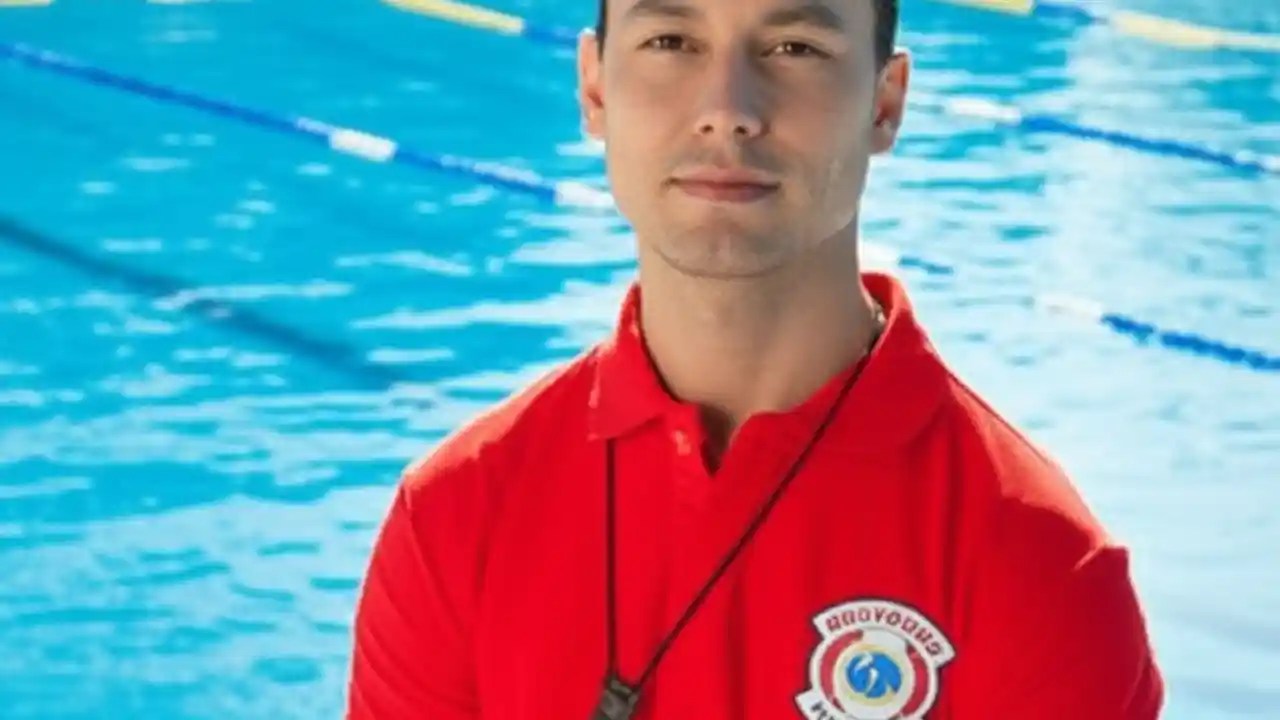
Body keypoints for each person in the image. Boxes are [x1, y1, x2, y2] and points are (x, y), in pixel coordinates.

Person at [346, 0, 1165, 717]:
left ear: (885, 103)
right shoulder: (457, 518)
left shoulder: (1031, 557)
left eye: (795, 48)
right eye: (671, 40)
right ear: (596, 88)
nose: (727, 109)